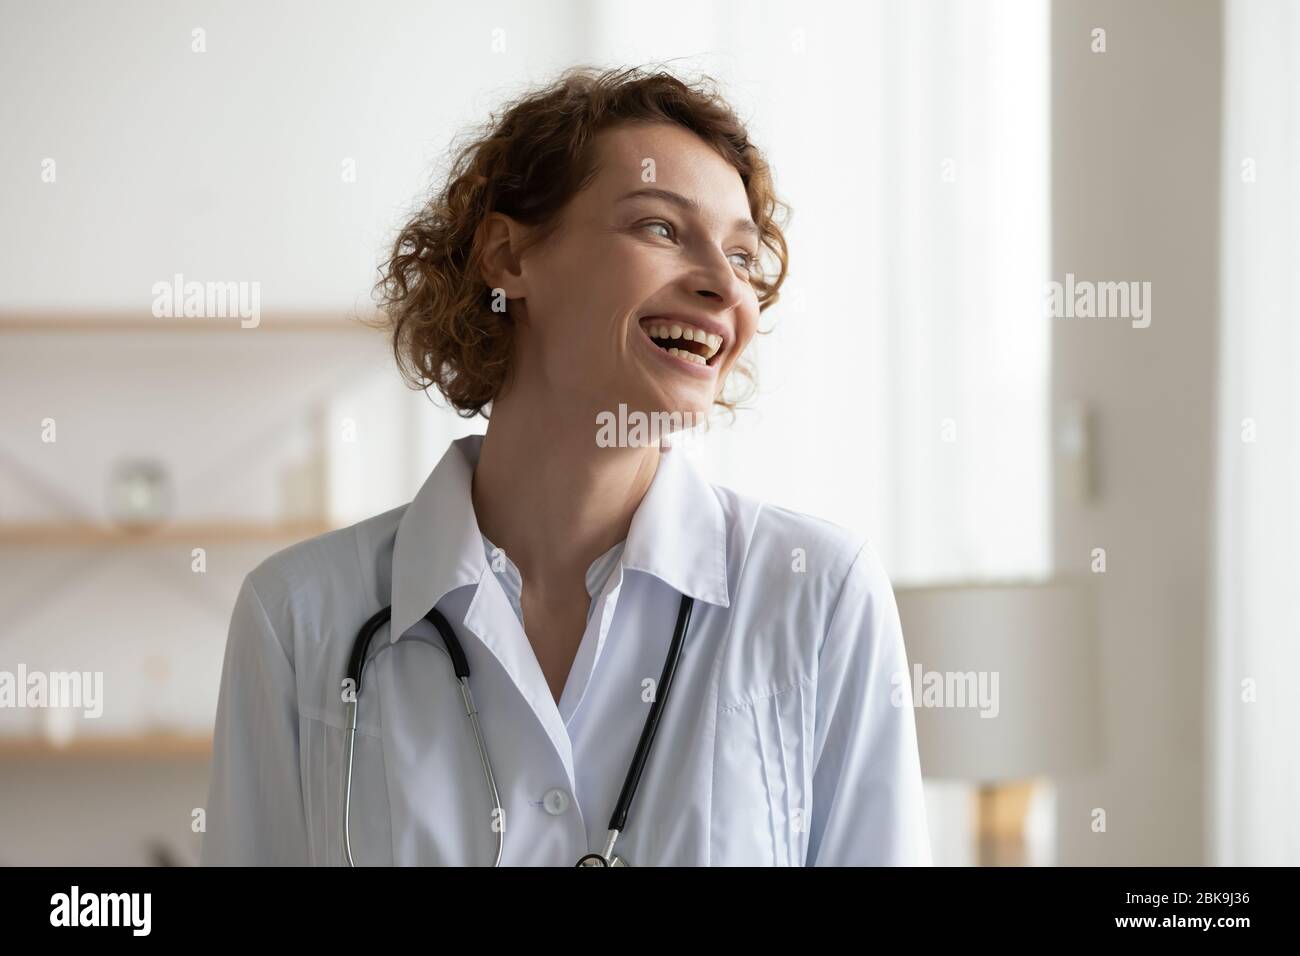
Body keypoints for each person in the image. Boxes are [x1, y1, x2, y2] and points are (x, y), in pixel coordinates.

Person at [200, 64, 931, 866]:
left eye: (744, 257)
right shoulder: (301, 618)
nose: (725, 287)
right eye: (659, 228)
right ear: (509, 258)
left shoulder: (817, 596)